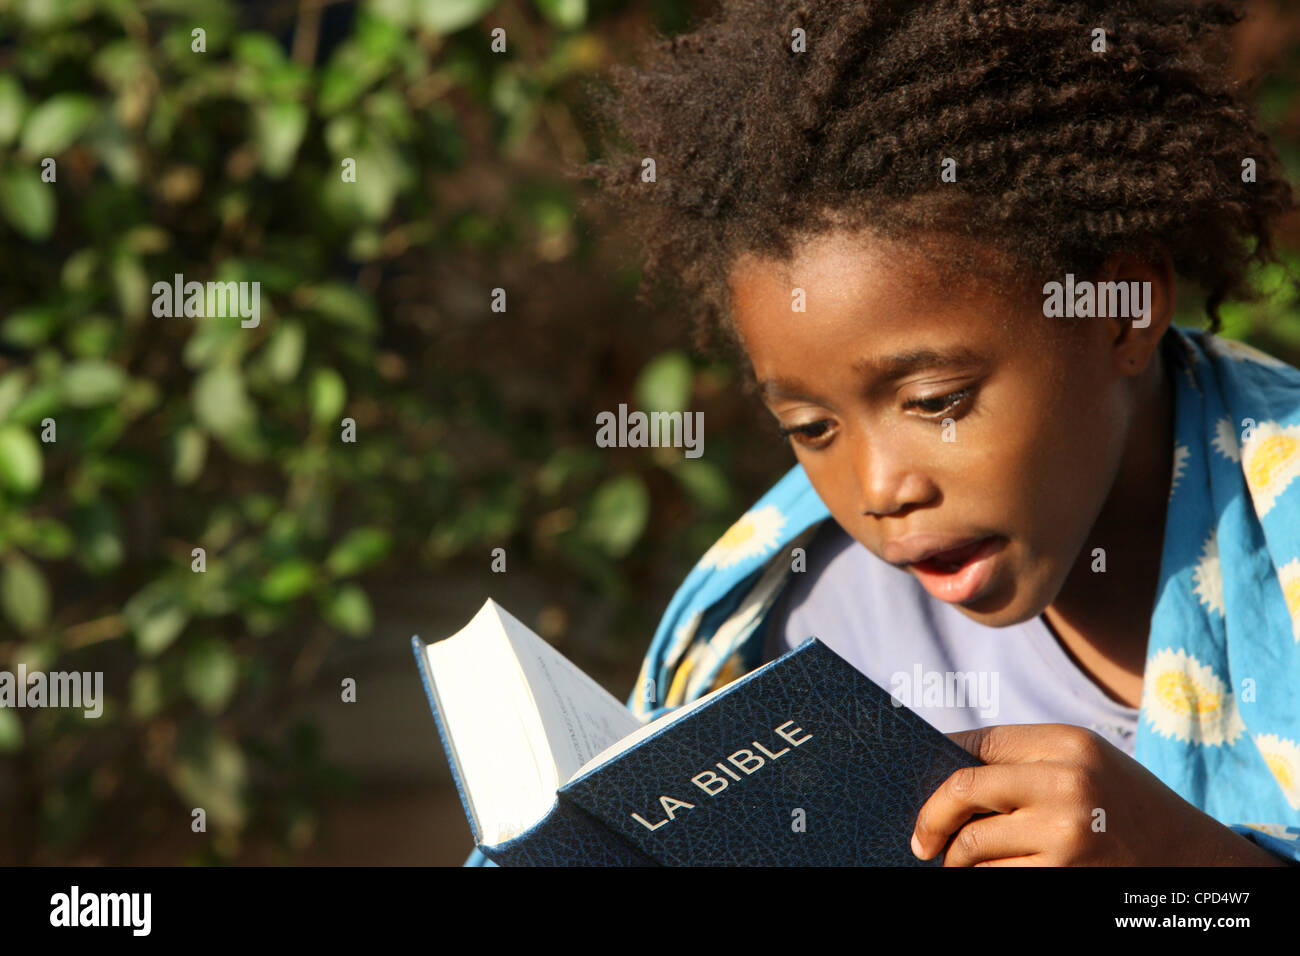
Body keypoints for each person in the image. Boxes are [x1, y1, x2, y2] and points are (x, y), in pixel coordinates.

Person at [466, 0, 1300, 865]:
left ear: (1121, 313)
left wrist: (1187, 873)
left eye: (938, 401)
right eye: (809, 425)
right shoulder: (792, 634)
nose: (879, 490)